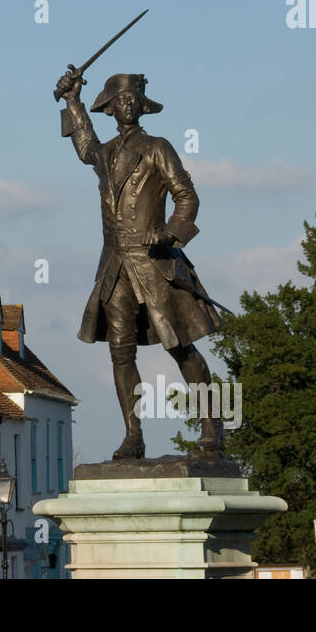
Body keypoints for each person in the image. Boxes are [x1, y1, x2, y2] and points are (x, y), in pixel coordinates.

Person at [58, 70, 224, 459]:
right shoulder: (107, 152)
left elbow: (187, 197)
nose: (128, 104)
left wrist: (169, 232)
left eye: (134, 99)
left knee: (179, 346)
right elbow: (85, 148)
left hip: (154, 262)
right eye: (122, 100)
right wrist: (72, 101)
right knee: (121, 353)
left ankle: (210, 424)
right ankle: (133, 435)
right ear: (111, 108)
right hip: (115, 265)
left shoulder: (157, 147)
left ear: (141, 105)